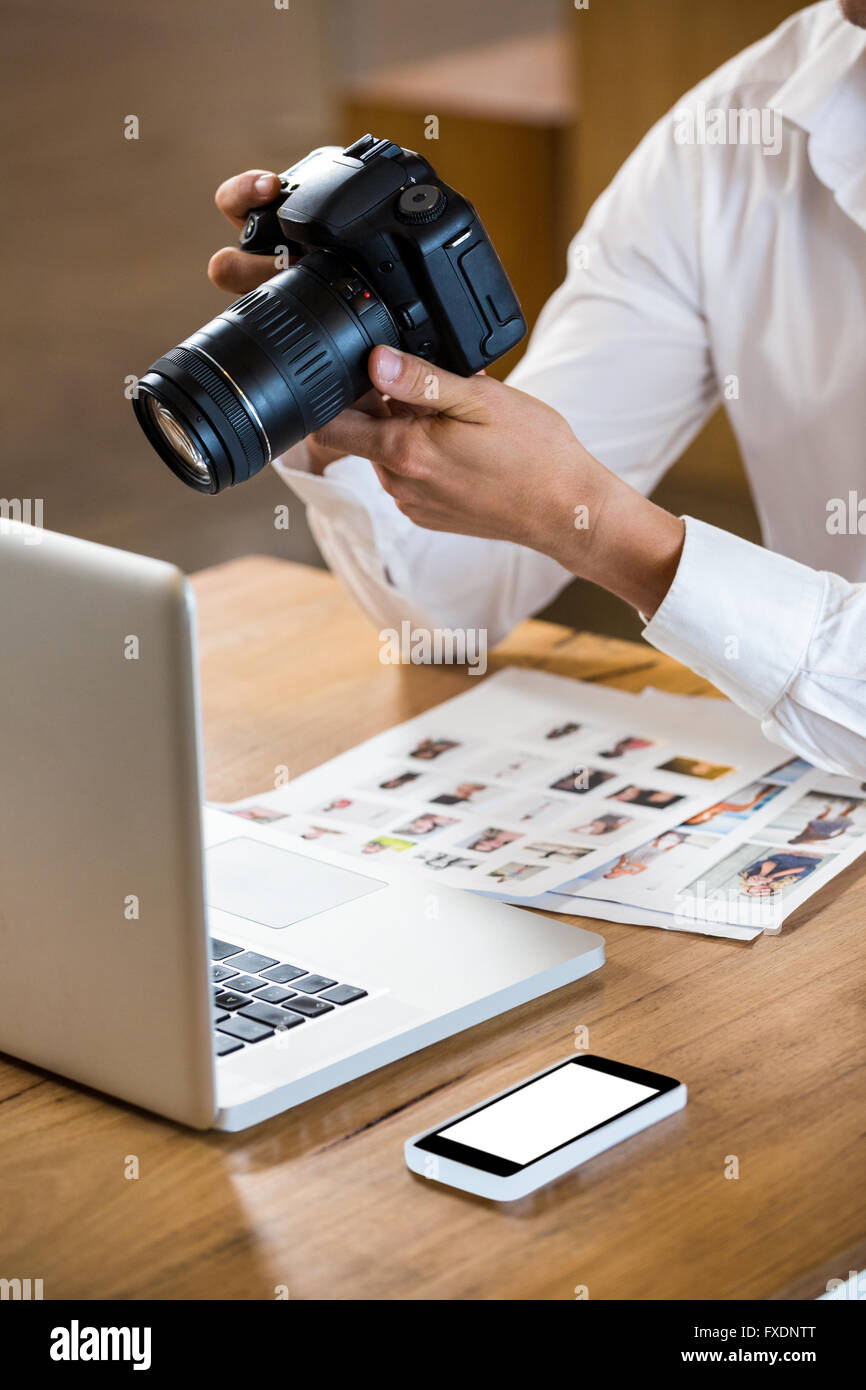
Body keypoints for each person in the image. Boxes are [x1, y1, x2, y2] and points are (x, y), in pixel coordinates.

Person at [209, 2, 866, 778]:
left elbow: (572, 509)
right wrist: (352, 388)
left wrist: (605, 533)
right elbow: (449, 606)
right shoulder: (736, 136)